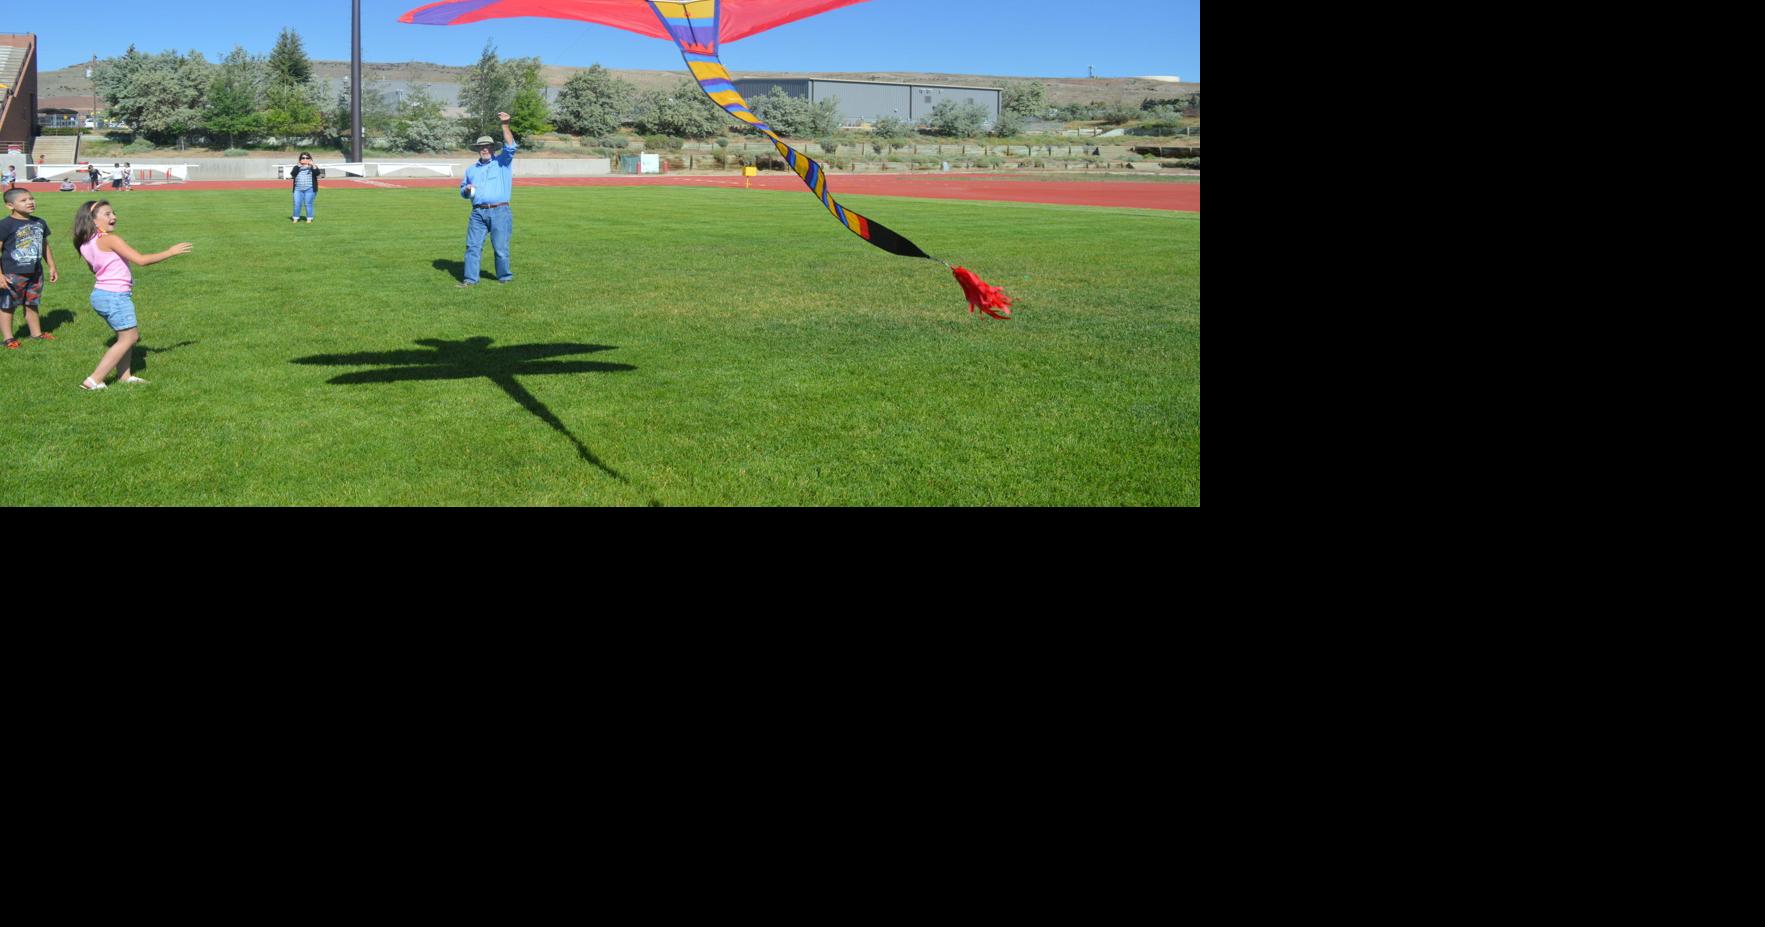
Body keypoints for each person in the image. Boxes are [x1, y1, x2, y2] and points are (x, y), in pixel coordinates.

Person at [70, 199, 192, 389]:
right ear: (93, 220)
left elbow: (94, 269)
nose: (114, 217)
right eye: (107, 214)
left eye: (113, 213)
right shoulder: (109, 239)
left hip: (101, 295)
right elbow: (141, 260)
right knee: (130, 337)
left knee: (124, 336)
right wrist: (171, 252)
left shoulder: (85, 242)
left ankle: (124, 376)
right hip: (114, 296)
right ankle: (93, 380)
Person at [457, 112, 517, 287]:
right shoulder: (471, 170)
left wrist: (505, 124)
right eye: (481, 147)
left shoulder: (502, 162)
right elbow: (462, 190)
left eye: (488, 146)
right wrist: (466, 190)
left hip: (500, 211)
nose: (484, 149)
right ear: (477, 149)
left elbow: (511, 146)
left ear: (493, 148)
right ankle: (470, 279)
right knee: (472, 247)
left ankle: (504, 277)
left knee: (500, 249)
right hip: (477, 212)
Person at [0, 189, 60, 349]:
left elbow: (44, 245)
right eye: (24, 200)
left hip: (35, 272)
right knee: (8, 305)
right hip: (12, 273)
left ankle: (36, 334)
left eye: (31, 198)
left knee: (32, 303)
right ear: (9, 205)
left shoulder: (39, 222)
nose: (30, 202)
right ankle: (8, 338)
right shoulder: (5, 225)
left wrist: (52, 266)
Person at [289, 152, 320, 223]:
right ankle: (295, 218)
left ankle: (309, 219)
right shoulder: (297, 167)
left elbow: (317, 173)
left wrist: (313, 165)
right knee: (297, 204)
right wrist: (298, 166)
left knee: (308, 204)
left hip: (310, 189)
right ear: (300, 159)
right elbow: (293, 174)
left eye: (307, 158)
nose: (305, 159)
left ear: (310, 159)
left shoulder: (312, 167)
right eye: (303, 158)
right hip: (298, 189)